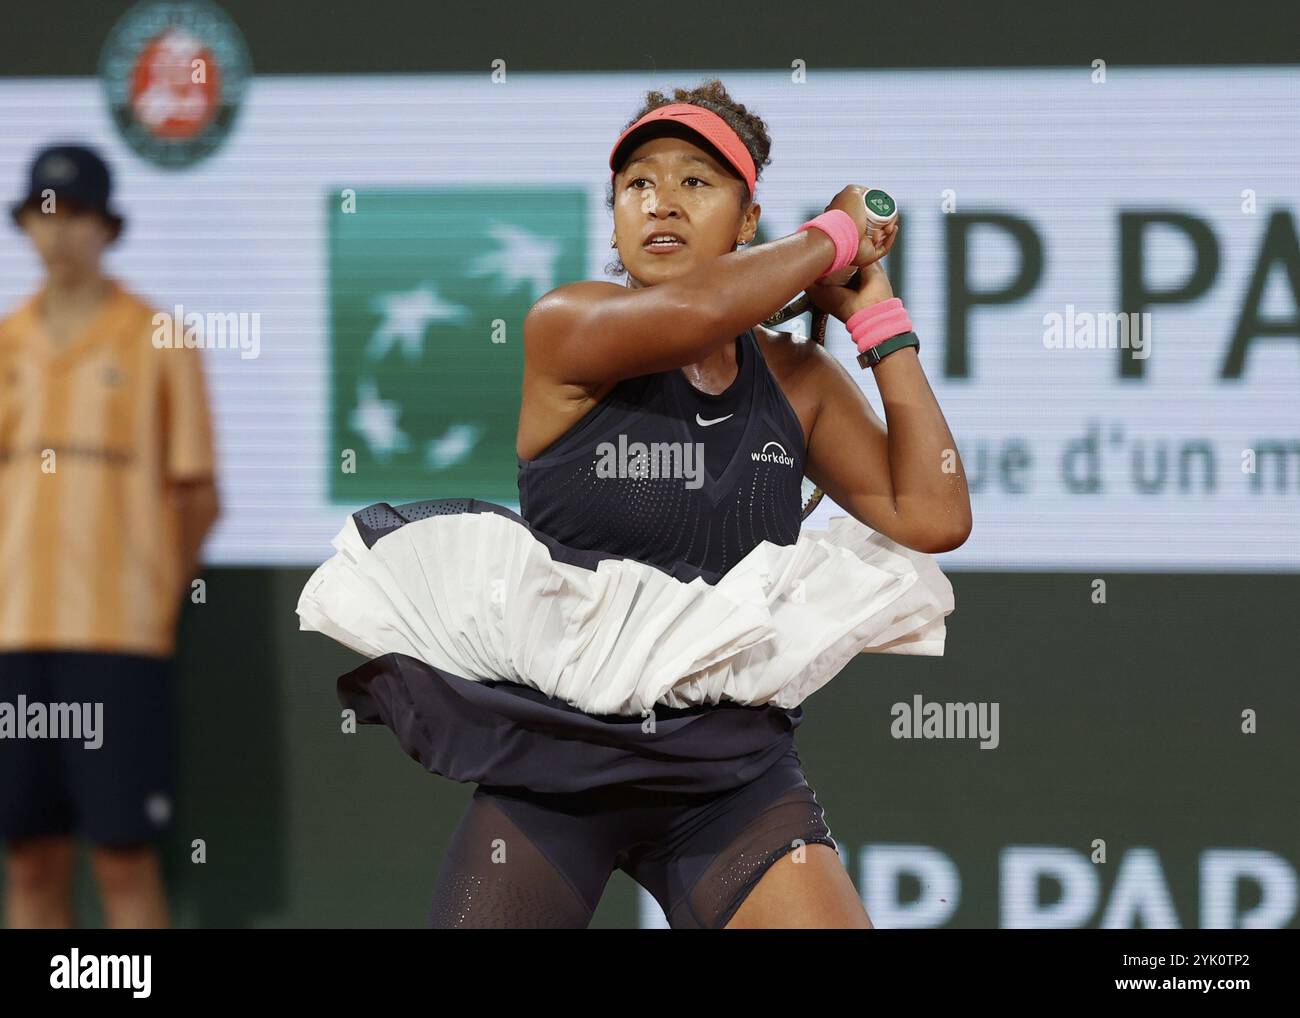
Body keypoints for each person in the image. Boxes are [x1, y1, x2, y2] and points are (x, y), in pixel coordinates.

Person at [298, 79, 971, 928]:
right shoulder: (569, 326)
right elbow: (694, 312)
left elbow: (935, 512)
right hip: (557, 767)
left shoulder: (797, 382)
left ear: (745, 220)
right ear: (615, 215)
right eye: (638, 183)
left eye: (697, 182)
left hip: (728, 777)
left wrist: (875, 314)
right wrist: (832, 235)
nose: (662, 201)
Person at [0, 143, 221, 928]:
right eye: (43, 215)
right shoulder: (6, 344)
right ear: (25, 224)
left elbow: (196, 493)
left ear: (107, 227)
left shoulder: (159, 338)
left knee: (124, 859)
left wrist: (153, 596)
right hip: (14, 635)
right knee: (29, 858)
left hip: (119, 640)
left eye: (77, 216)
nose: (58, 234)